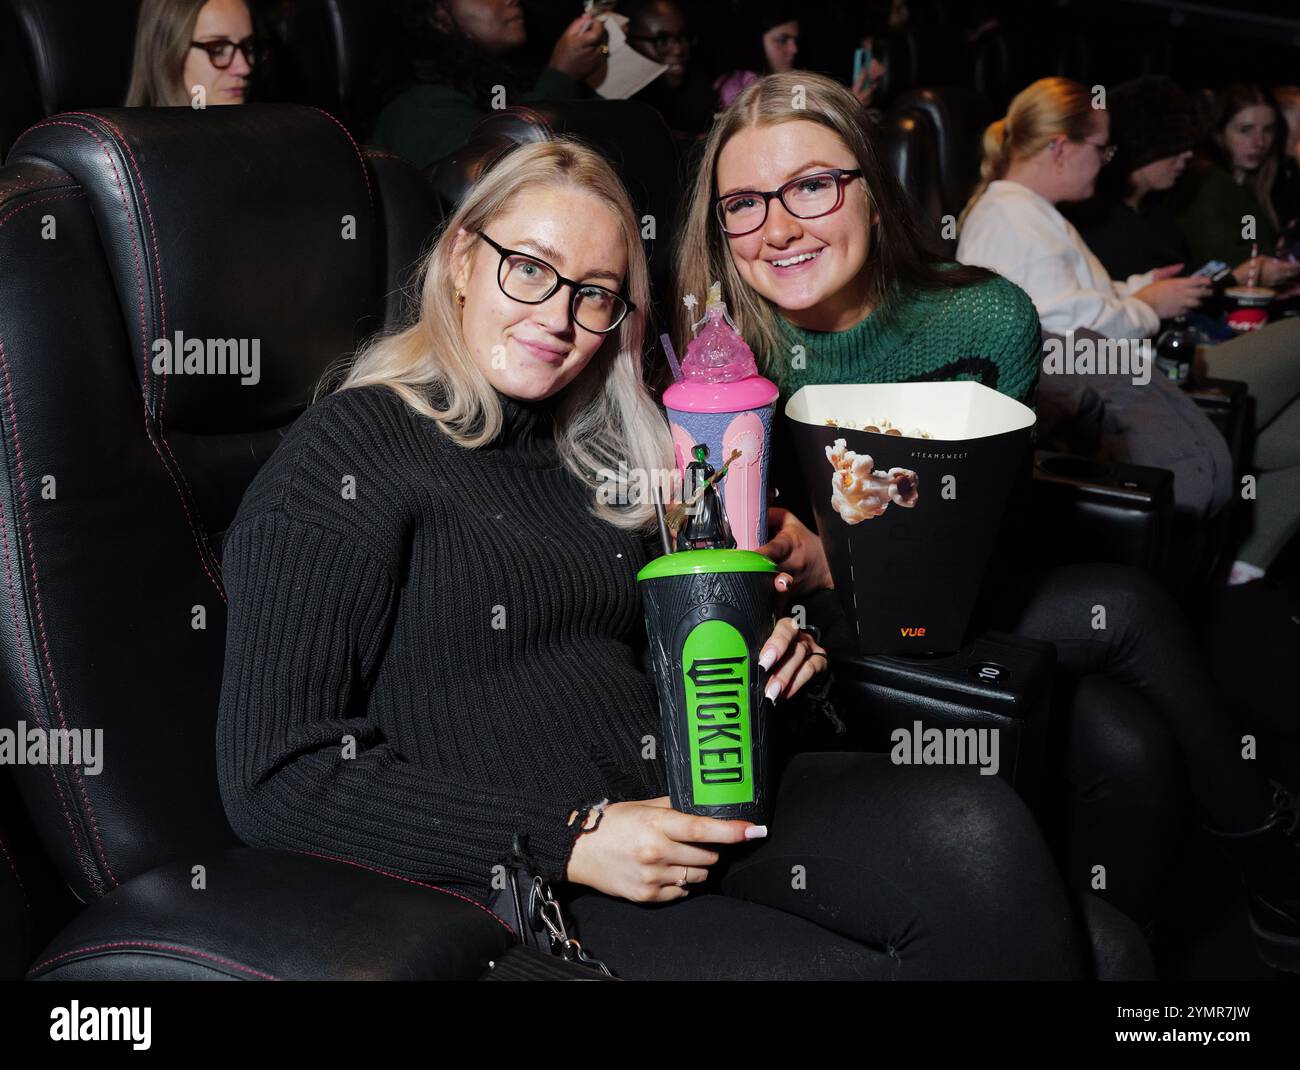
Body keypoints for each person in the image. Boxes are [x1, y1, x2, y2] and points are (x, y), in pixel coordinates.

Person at [215, 135, 1090, 981]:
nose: (558, 318)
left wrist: (781, 671)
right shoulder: (349, 453)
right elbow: (274, 778)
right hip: (560, 875)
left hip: (707, 806)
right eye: (529, 268)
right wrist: (573, 837)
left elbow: (674, 679)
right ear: (458, 261)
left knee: (986, 826)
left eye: (596, 294)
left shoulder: (597, 456)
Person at [673, 70, 1300, 969]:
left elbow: (978, 547)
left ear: (875, 194)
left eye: (811, 185)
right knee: (1123, 661)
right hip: (794, 652)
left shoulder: (982, 317)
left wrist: (838, 546)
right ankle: (1266, 857)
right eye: (743, 203)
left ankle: (1173, 928)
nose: (777, 226)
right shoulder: (718, 350)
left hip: (949, 605)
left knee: (1130, 736)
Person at [960, 77, 1300, 573]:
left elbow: (1074, 302)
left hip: (1139, 371)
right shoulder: (1009, 218)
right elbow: (1060, 335)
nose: (1107, 159)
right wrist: (1147, 307)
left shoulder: (1029, 213)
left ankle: (1239, 569)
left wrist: (1137, 289)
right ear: (1060, 148)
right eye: (1100, 147)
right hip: (1131, 380)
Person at [370, 0, 608, 168]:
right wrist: (561, 74)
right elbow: (503, 168)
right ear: (439, 16)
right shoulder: (415, 108)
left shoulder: (511, 77)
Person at [1170, 84, 1300, 291]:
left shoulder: (1261, 185)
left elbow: (1250, 243)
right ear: (1219, 132)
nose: (1259, 142)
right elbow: (1221, 258)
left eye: (1268, 130)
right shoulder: (1209, 184)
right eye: (1245, 130)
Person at [1065, 76, 1195, 283]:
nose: (1187, 154)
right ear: (1143, 147)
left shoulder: (1157, 214)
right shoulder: (1097, 223)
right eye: (1174, 145)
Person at [125, 0, 255, 107]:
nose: (244, 68)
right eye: (217, 50)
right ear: (168, 56)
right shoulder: (134, 137)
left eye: (248, 47)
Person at [622, 0, 715, 139]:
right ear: (628, 41)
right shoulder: (613, 104)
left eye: (683, 37)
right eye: (662, 40)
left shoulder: (701, 91)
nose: (678, 49)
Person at [712, 1, 799, 112]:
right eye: (782, 40)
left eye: (795, 40)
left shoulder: (797, 86)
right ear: (756, 42)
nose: (794, 49)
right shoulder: (734, 88)